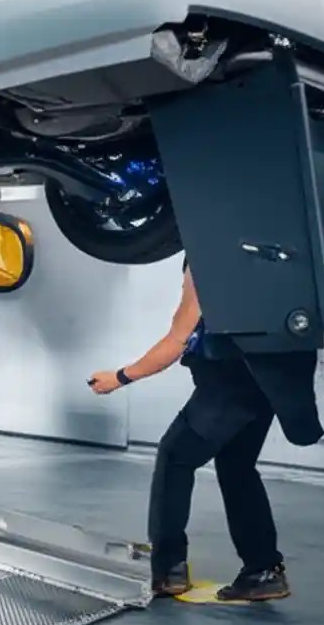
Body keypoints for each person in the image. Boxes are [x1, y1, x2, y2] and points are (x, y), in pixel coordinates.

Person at [87, 258, 294, 603]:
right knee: (237, 469)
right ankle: (263, 571)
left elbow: (177, 339)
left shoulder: (205, 252)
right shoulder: (264, 248)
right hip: (267, 380)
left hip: (226, 385)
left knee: (175, 457)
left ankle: (169, 570)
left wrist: (119, 377)